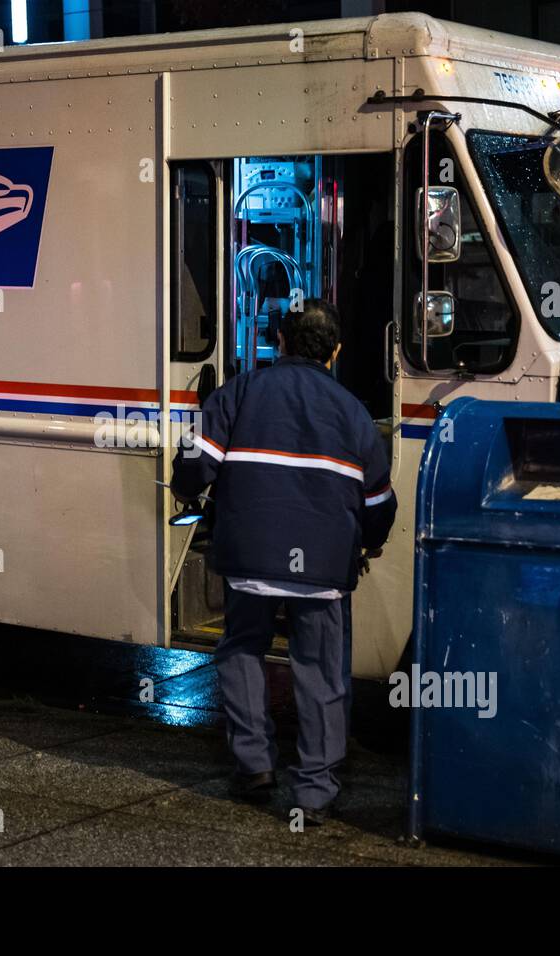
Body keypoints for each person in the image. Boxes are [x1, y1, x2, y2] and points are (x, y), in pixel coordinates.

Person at [171, 299, 397, 824]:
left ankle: (254, 764)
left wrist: (188, 492)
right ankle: (315, 790)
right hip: (322, 567)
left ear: (283, 342)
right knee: (320, 670)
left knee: (242, 648)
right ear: (336, 352)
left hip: (248, 555)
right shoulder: (354, 413)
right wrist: (369, 541)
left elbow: (194, 464)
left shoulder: (241, 391)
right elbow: (379, 504)